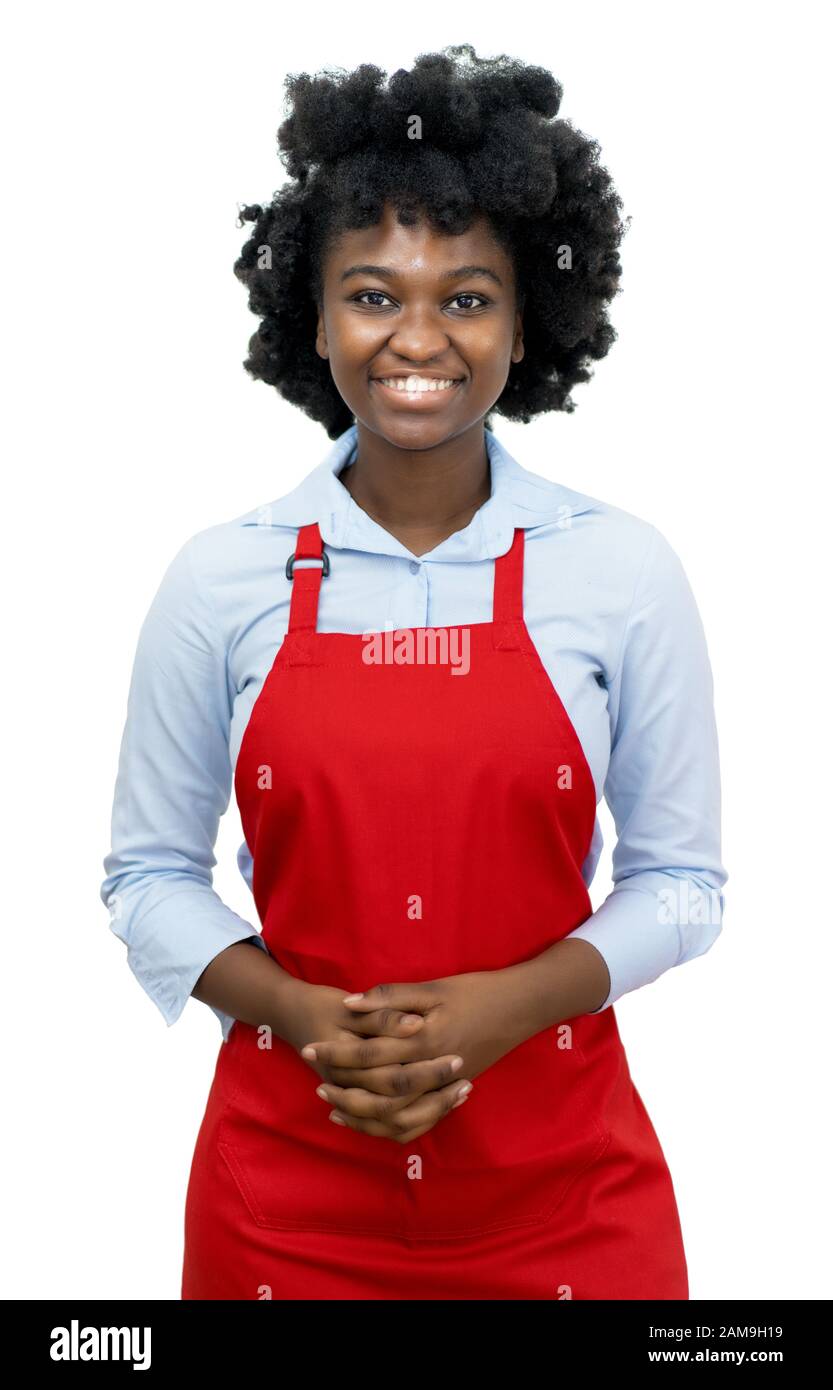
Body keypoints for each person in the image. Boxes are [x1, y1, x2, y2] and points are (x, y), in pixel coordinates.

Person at [101, 44, 727, 1300]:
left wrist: (508, 1006)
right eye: (374, 295)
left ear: (526, 318)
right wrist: (298, 1012)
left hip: (566, 1193)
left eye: (469, 296)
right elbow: (146, 875)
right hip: (284, 1198)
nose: (419, 339)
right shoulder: (220, 578)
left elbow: (683, 884)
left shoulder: (618, 569)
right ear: (313, 316)